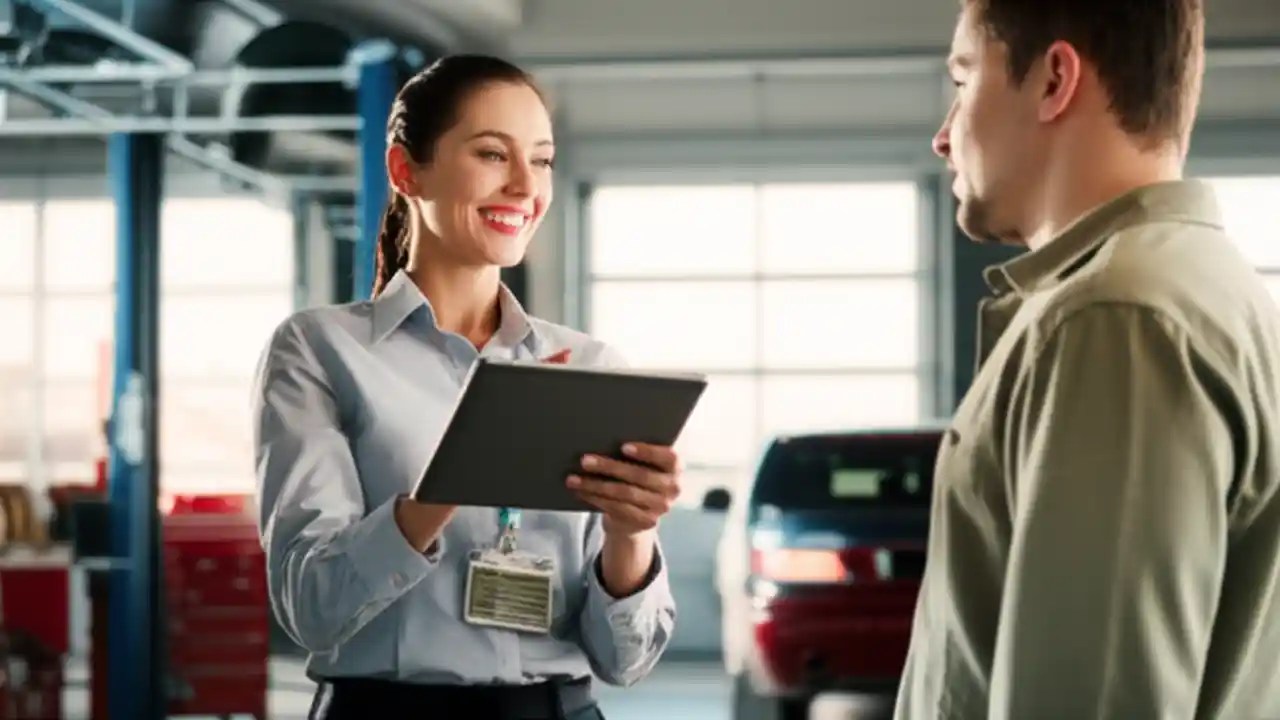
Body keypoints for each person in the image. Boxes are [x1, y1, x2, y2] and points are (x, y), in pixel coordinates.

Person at [251, 55, 680, 720]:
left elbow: (625, 660)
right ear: (405, 171)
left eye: (540, 161)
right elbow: (313, 607)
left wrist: (632, 534)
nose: (523, 186)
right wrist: (459, 475)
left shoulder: (589, 365)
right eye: (491, 154)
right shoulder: (320, 350)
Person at [897, 1, 1280, 718]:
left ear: (1054, 80)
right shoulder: (1197, 287)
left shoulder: (1116, 318)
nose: (943, 137)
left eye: (963, 79)